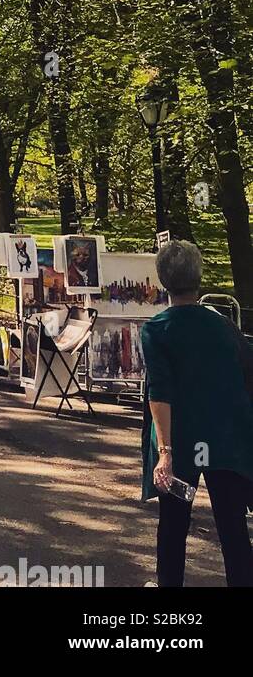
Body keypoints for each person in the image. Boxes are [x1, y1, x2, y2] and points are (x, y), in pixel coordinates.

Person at [141, 240, 253, 588]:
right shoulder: (224, 327)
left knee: (174, 526)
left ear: (163, 281)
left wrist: (165, 453)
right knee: (232, 528)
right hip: (226, 439)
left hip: (183, 441)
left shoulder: (157, 330)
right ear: (199, 277)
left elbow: (159, 393)